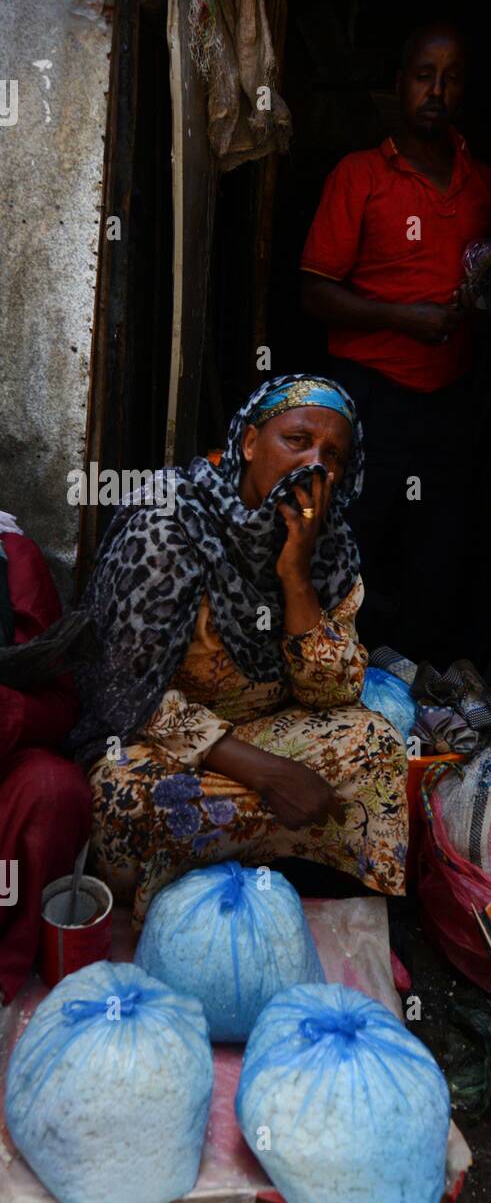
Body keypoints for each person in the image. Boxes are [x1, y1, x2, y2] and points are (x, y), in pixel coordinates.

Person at [69, 376, 408, 926]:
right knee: (119, 795)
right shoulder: (168, 522)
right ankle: (234, 877)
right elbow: (127, 691)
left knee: (375, 745)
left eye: (333, 455)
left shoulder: (330, 541)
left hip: (266, 728)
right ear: (249, 443)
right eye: (296, 441)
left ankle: (276, 890)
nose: (313, 466)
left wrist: (296, 575)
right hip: (166, 745)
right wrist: (268, 774)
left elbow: (333, 692)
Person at [300, 20, 491, 663]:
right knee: (356, 534)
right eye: (424, 76)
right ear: (400, 85)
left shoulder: (483, 185)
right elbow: (313, 292)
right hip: (368, 395)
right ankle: (333, 670)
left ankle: (421, 683)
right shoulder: (359, 175)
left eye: (450, 78)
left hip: (451, 395)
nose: (436, 90)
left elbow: (489, 278)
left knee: (441, 544)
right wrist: (401, 317)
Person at [0, 513, 92, 1002]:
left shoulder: (14, 559)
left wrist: (11, 712)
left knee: (54, 790)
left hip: (7, 763)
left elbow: (63, 705)